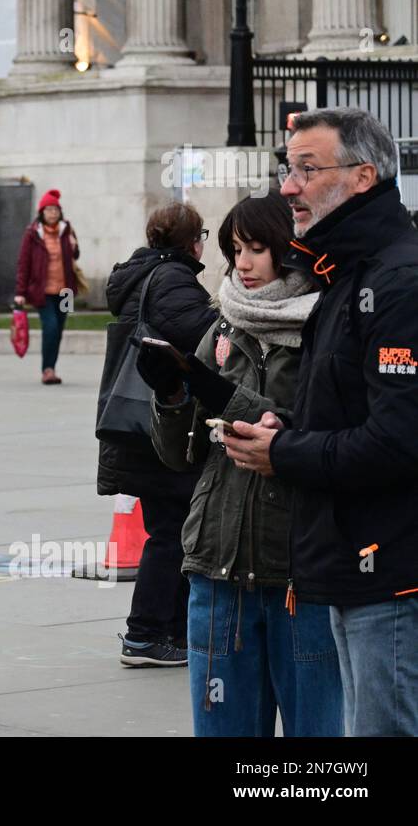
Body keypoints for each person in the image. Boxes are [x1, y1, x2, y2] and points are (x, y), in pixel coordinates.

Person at [222, 107, 418, 736]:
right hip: (349, 562)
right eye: (288, 169)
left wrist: (286, 454)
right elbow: (349, 407)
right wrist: (288, 430)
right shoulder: (344, 272)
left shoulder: (398, 279)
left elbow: (398, 439)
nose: (288, 186)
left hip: (390, 569)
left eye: (307, 169)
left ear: (363, 178)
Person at [144, 193, 341, 736]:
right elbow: (176, 454)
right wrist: (171, 396)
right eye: (235, 250)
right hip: (217, 565)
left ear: (292, 252)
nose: (244, 264)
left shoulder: (328, 326)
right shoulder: (224, 324)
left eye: (258, 249)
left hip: (299, 574)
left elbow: (315, 431)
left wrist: (222, 396)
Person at [99, 200, 218, 667]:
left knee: (169, 529)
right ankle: (146, 634)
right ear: (192, 240)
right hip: (161, 425)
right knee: (173, 532)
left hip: (138, 424)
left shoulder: (139, 275)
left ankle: (169, 633)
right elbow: (213, 340)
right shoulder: (172, 280)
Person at [14, 188, 81, 384]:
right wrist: (20, 292)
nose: (52, 213)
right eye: (48, 209)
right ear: (42, 212)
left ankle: (52, 366)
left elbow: (75, 257)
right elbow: (23, 263)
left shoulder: (66, 230)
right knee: (50, 327)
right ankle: (48, 370)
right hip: (42, 291)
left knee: (59, 329)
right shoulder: (33, 233)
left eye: (55, 210)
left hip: (65, 291)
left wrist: (74, 245)